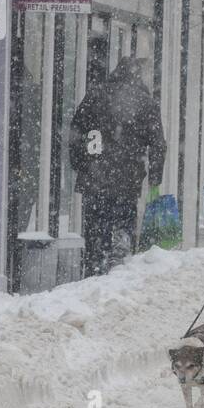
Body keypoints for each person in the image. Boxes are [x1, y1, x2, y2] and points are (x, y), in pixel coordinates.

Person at [69, 56, 167, 276]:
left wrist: (80, 164)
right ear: (137, 76)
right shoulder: (146, 103)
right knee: (122, 225)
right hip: (127, 180)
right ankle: (118, 263)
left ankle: (95, 267)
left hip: (94, 180)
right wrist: (154, 179)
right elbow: (158, 144)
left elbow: (76, 132)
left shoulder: (94, 96)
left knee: (96, 229)